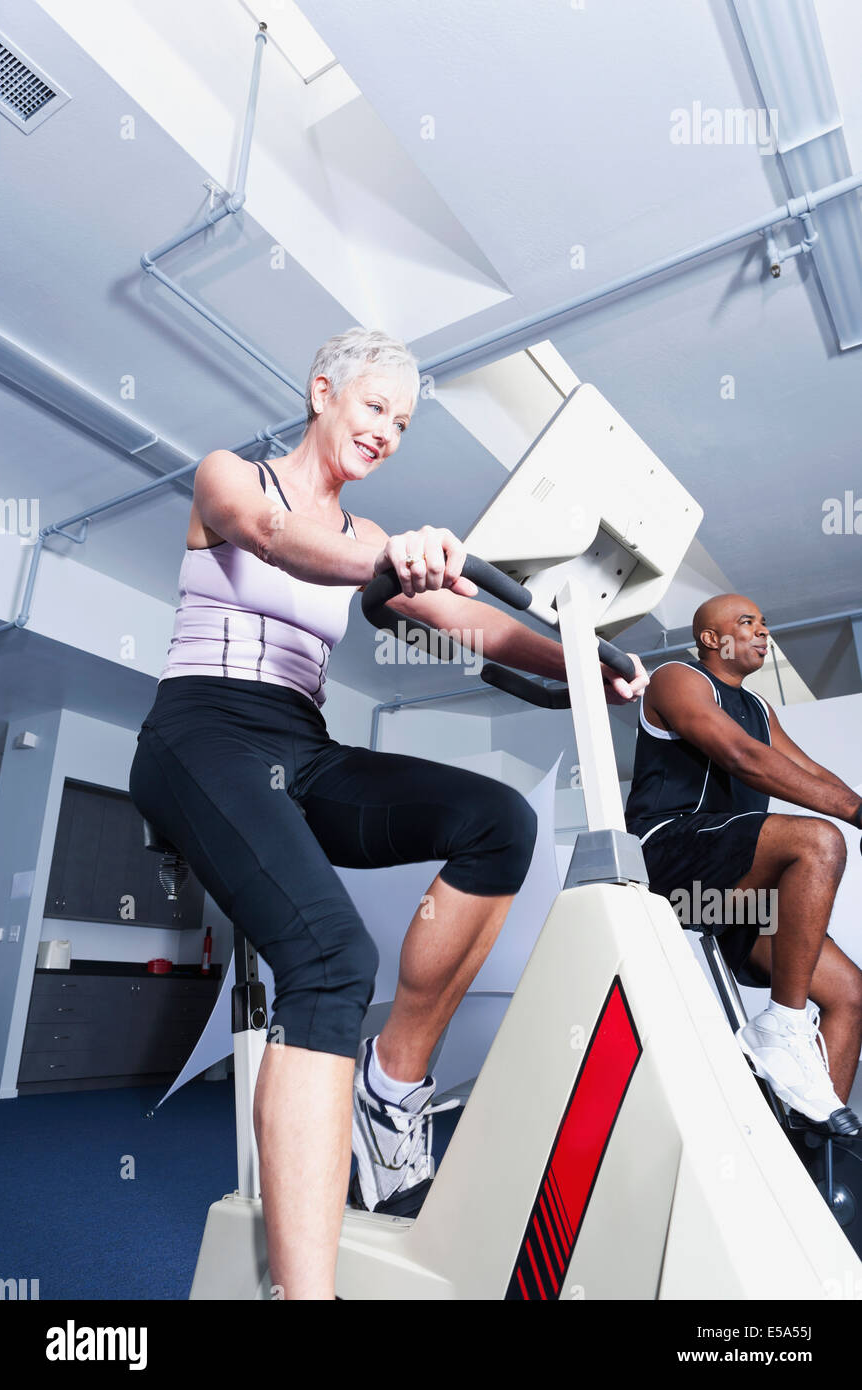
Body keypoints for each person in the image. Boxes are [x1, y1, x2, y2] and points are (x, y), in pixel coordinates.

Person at [129, 326, 648, 1300]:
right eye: (374, 407)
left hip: (299, 743)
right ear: (321, 389)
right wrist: (385, 566)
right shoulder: (232, 479)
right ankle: (303, 1291)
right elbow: (278, 540)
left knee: (498, 820)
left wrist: (585, 658)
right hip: (198, 735)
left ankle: (391, 1087)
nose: (386, 433)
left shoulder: (374, 543)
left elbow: (482, 625)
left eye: (403, 423)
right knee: (329, 957)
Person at [625, 593, 862, 1135]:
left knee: (849, 992)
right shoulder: (677, 679)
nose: (762, 632)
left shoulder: (758, 709)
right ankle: (781, 1026)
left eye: (764, 622)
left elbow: (811, 772)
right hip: (670, 859)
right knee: (818, 842)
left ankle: (808, 1151)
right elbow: (743, 758)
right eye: (747, 622)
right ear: (711, 639)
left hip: (732, 888)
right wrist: (854, 814)